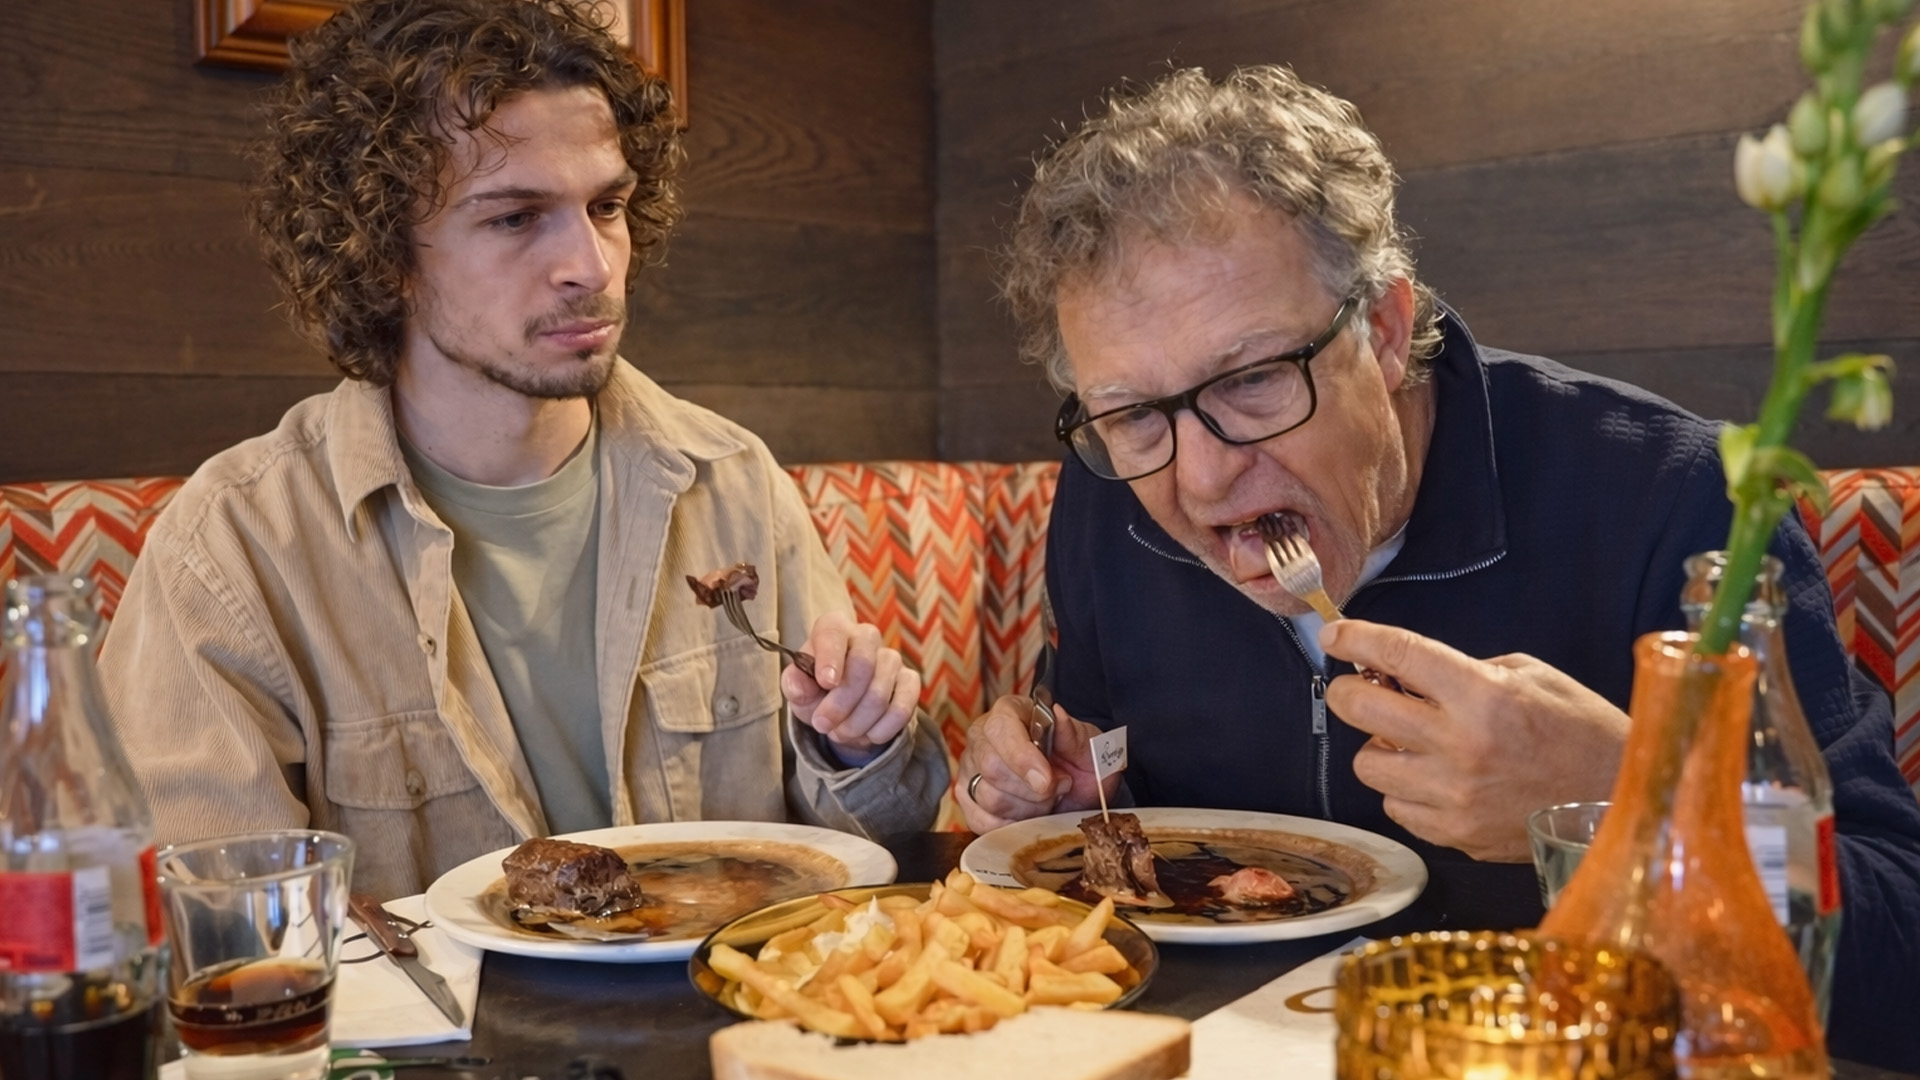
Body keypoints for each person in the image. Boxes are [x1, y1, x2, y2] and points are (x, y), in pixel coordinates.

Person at [957, 66, 1920, 1065]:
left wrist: (1627, 800)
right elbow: (1110, 808)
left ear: (1377, 332)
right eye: (1132, 415)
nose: (1200, 481)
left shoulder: (1682, 503)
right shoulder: (1112, 496)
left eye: (1249, 382)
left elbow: (1903, 958)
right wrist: (1068, 796)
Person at [98, 0, 947, 899]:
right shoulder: (233, 546)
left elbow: (872, 853)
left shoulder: (734, 481)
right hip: (433, 1042)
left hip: (724, 1018)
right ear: (384, 251)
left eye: (608, 206)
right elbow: (208, 923)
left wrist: (856, 745)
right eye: (515, 217)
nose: (591, 264)